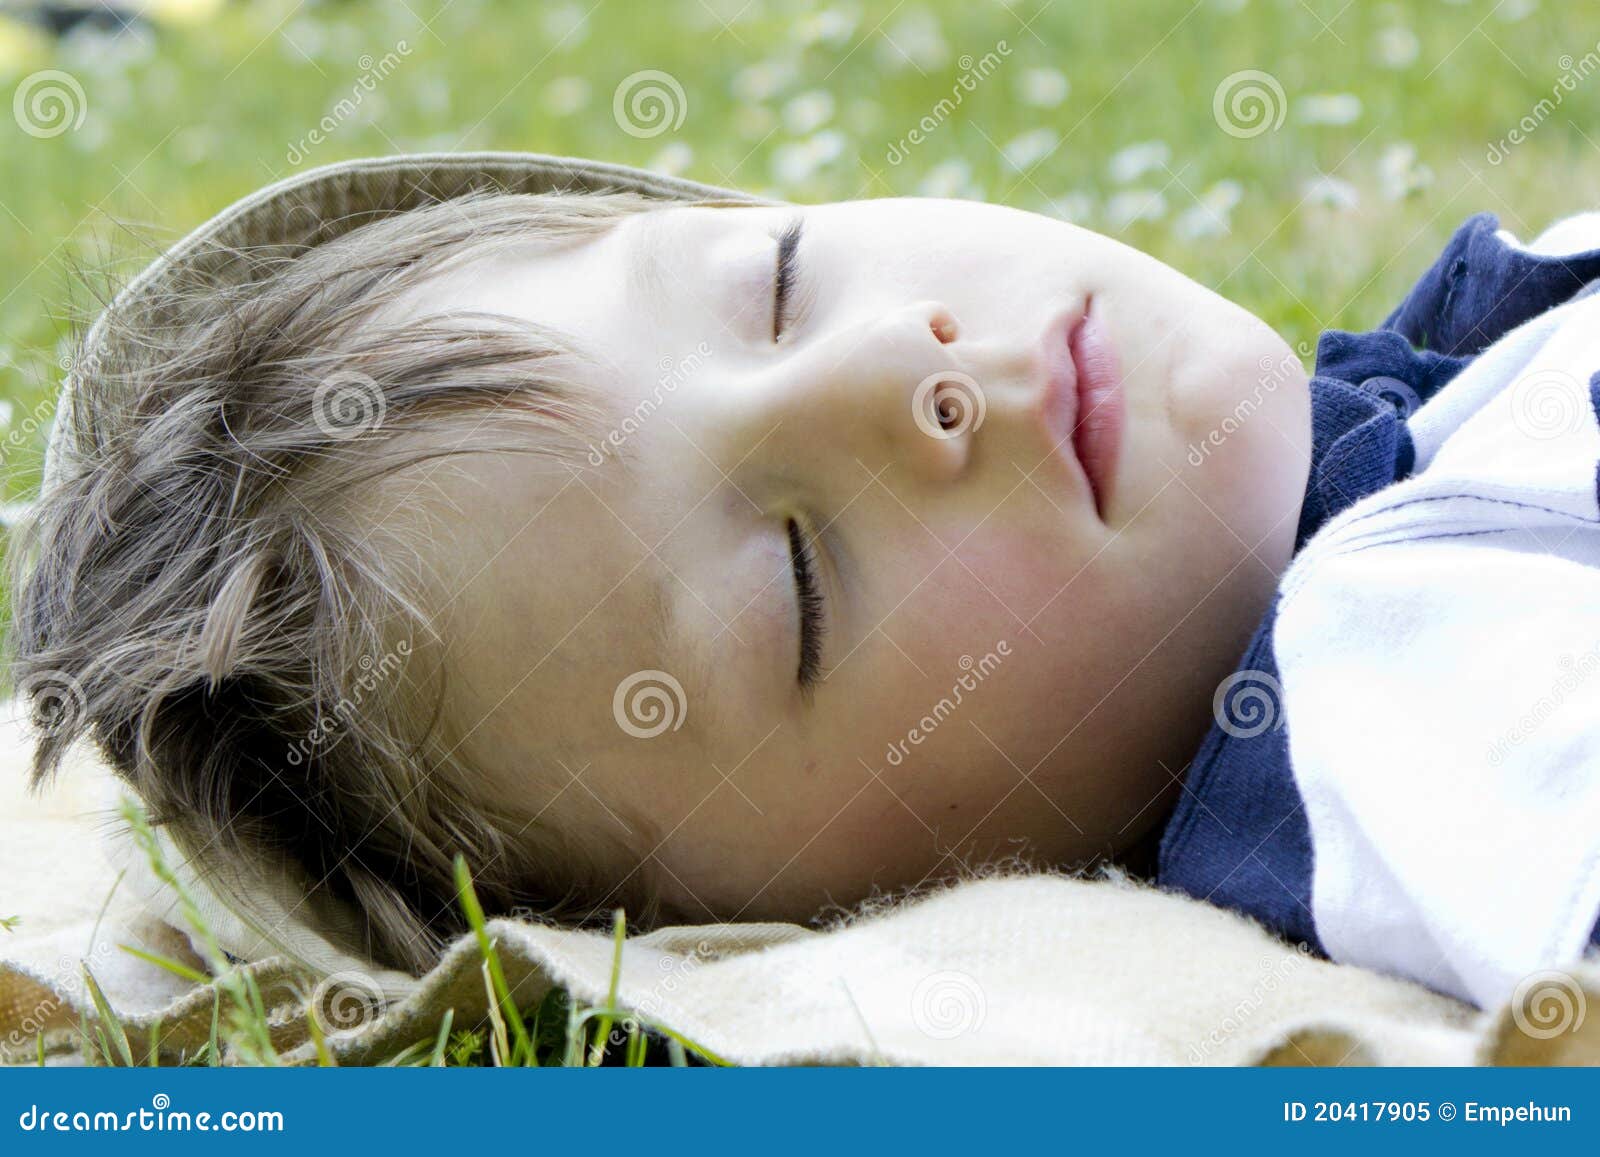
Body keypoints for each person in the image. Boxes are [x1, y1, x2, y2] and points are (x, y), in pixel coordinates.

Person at [12, 153, 1598, 1009]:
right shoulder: (1410, 689)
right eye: (800, 587)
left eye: (775, 286)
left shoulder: (1448, 404)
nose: (898, 374)